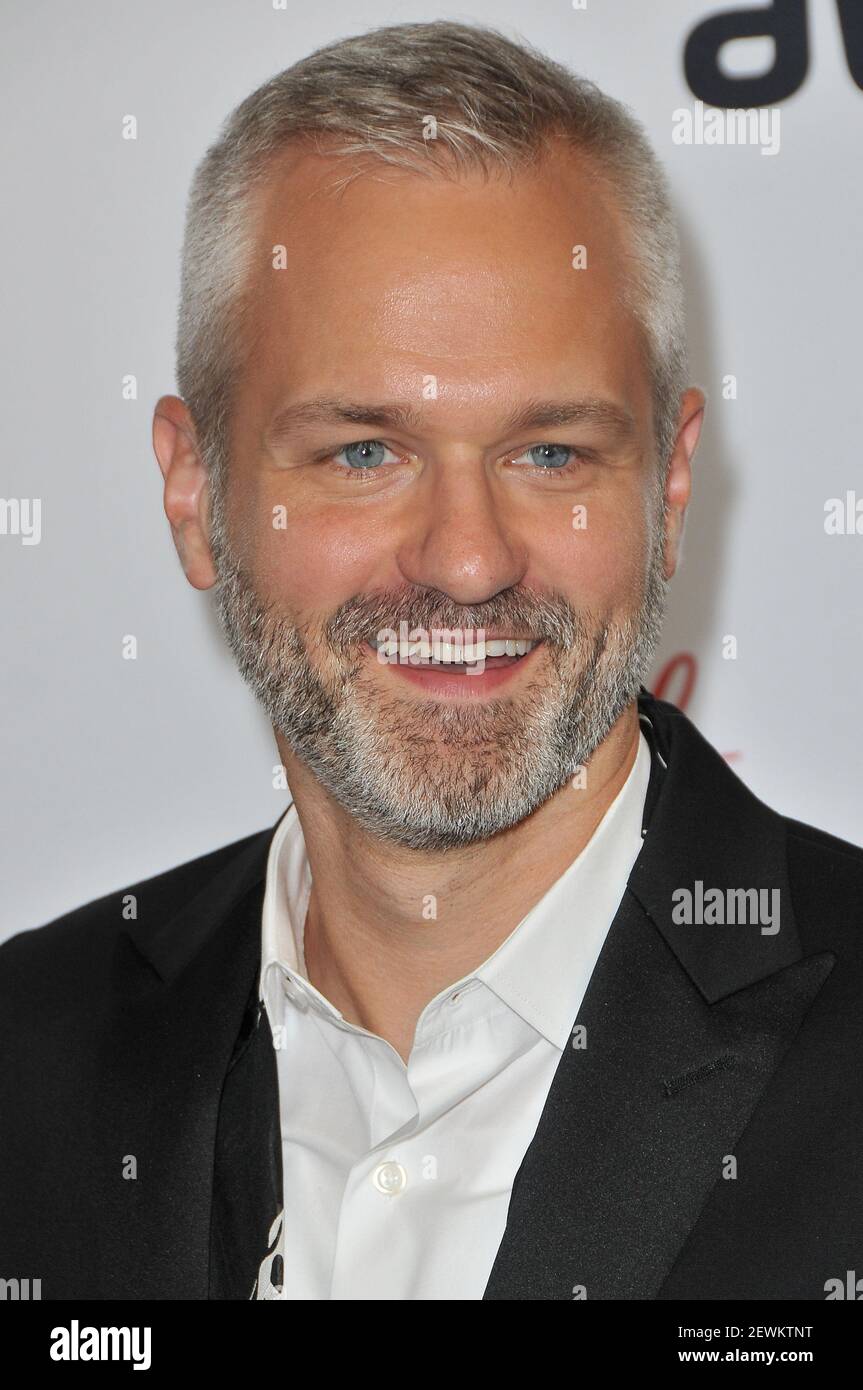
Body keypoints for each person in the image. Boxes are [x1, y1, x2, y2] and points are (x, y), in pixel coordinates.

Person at [2, 19, 861, 1302]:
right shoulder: (27, 1054)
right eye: (362, 452)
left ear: (670, 490)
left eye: (550, 453)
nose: (466, 561)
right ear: (195, 494)